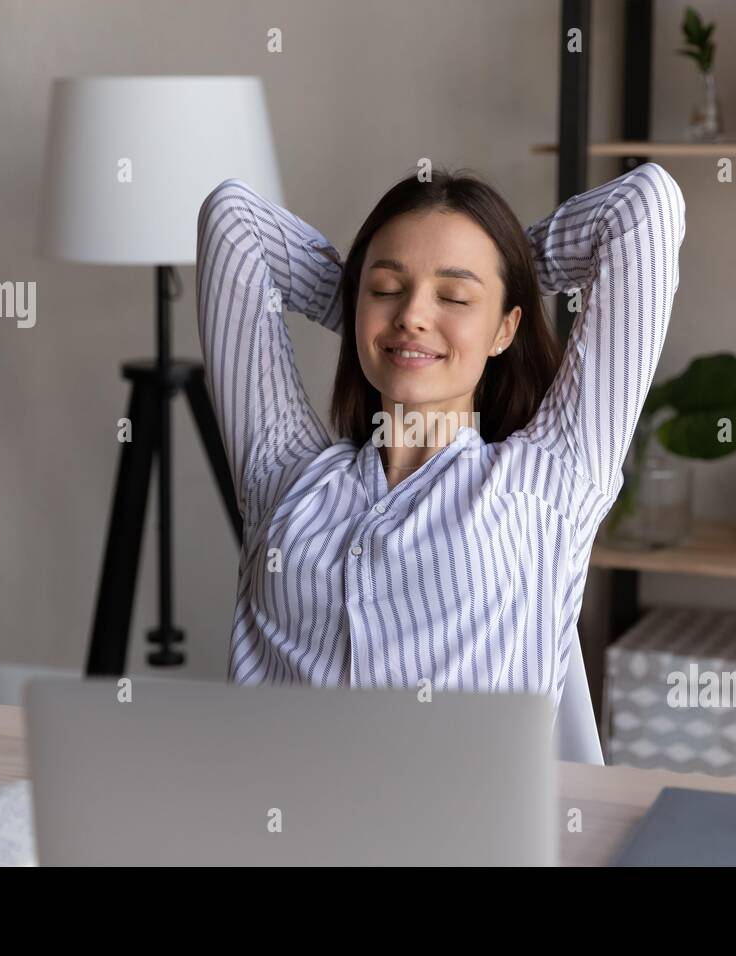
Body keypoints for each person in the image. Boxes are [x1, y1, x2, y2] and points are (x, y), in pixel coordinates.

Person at [196, 161, 684, 713]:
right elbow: (234, 222)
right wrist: (367, 314)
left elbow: (643, 205)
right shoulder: (283, 476)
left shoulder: (547, 481)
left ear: (505, 328)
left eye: (454, 297)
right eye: (386, 288)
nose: (412, 314)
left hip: (459, 801)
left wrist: (508, 269)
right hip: (266, 797)